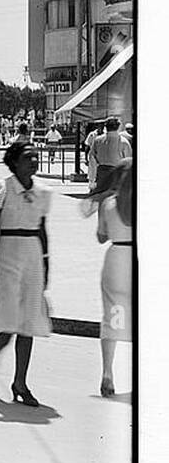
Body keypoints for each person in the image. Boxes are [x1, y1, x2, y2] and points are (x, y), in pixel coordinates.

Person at [0, 142, 52, 406]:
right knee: (8, 319)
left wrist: (46, 262)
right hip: (8, 253)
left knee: (29, 321)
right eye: (27, 157)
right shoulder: (2, 189)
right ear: (15, 161)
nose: (34, 161)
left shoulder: (43, 192)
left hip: (33, 255)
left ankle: (20, 382)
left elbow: (43, 229)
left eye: (36, 156)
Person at [82, 159, 132, 397]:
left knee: (112, 316)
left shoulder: (108, 203)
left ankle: (108, 373)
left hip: (115, 258)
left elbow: (101, 237)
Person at [89, 116, 132, 187]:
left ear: (105, 126)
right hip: (117, 174)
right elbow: (128, 162)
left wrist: (92, 179)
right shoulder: (124, 142)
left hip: (101, 174)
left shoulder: (98, 140)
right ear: (118, 127)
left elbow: (92, 159)